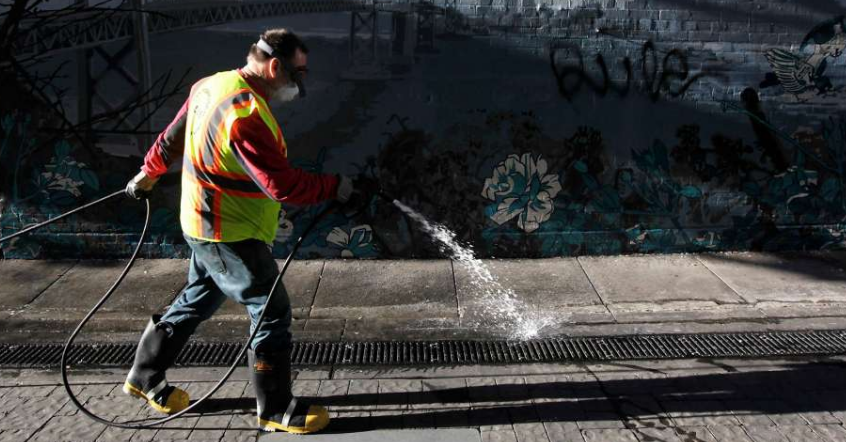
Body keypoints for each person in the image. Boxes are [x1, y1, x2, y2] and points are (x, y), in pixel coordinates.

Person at [123, 28, 354, 434]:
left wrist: (148, 173)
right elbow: (281, 185)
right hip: (229, 233)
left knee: (196, 300)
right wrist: (336, 187)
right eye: (297, 75)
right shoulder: (246, 114)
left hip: (199, 221)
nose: (300, 84)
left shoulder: (211, 85)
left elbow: (171, 139)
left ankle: (144, 375)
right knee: (271, 311)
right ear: (275, 67)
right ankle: (276, 408)